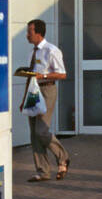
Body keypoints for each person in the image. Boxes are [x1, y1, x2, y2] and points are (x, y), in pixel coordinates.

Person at [19, 19, 70, 182]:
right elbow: (31, 76)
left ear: (39, 33)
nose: (27, 35)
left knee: (42, 130)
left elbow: (62, 74)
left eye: (30, 32)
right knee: (34, 132)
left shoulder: (51, 50)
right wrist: (24, 98)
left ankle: (63, 157)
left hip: (47, 89)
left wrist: (44, 76)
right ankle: (43, 171)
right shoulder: (32, 52)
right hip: (33, 91)